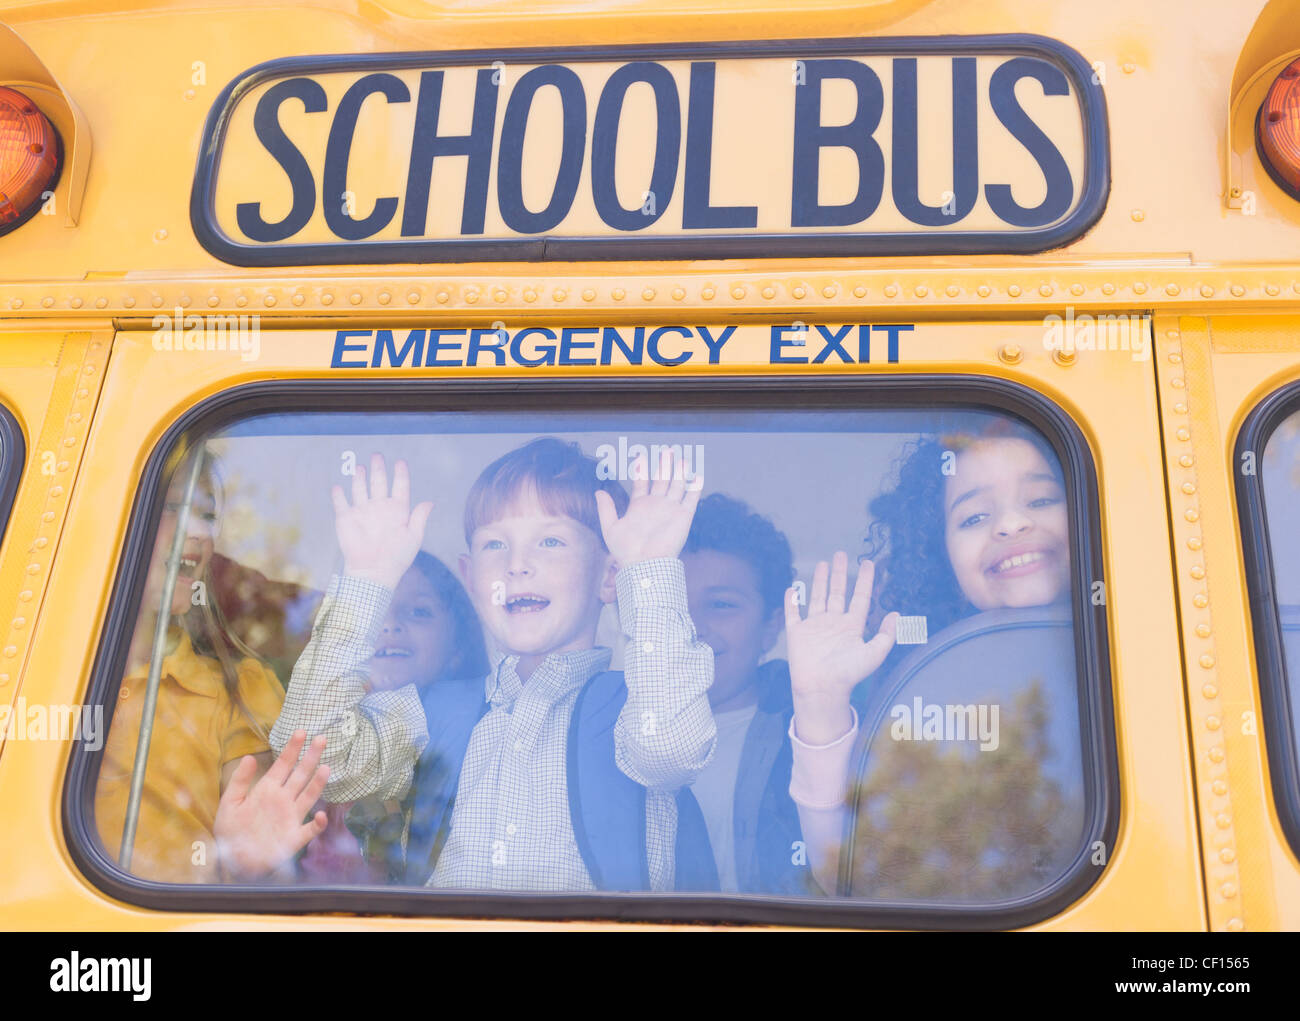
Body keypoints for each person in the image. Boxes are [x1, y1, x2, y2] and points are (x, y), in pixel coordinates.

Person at [259, 437, 716, 891]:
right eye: (495, 545)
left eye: (551, 541)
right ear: (471, 578)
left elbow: (670, 752)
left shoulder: (638, 708)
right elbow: (315, 761)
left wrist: (649, 571)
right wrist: (368, 580)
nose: (517, 564)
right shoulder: (434, 712)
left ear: (610, 574)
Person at [783, 419, 1070, 894]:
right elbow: (847, 876)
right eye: (974, 517)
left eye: (1040, 500)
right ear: (944, 559)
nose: (1012, 524)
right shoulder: (936, 692)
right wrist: (821, 702)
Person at [95, 449, 294, 883]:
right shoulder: (34, 669)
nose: (199, 532)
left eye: (207, 515)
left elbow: (264, 865)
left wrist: (243, 864)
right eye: (172, 507)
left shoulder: (238, 690)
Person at [294, 552, 488, 883]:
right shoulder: (317, 733)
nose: (390, 622)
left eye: (418, 611)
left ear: (457, 649)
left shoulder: (474, 732)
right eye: (372, 612)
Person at [676, 494, 812, 894]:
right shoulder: (610, 734)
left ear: (771, 626)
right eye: (675, 605)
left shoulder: (812, 738)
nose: (694, 626)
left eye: (721, 604)